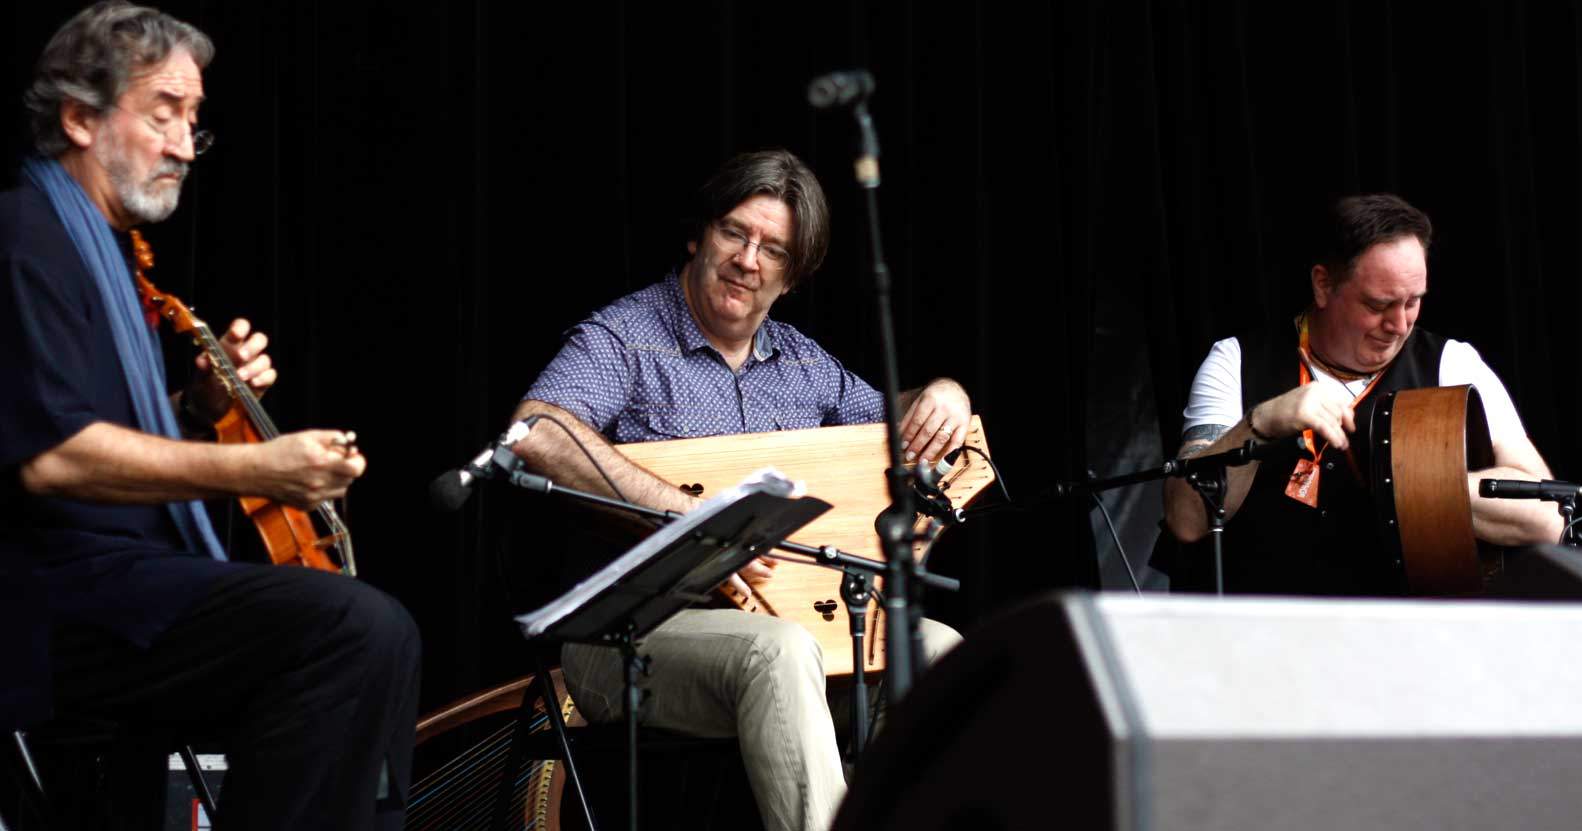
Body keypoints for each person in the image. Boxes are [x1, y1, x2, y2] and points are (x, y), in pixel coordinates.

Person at [0, 4, 419, 828]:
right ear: (80, 117)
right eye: (164, 115)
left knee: (370, 630)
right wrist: (258, 468)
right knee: (352, 629)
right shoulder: (25, 235)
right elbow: (52, 457)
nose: (186, 146)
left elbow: (93, 425)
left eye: (195, 122)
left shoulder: (103, 249)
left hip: (118, 592)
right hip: (56, 606)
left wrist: (196, 410)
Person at [511, 149, 969, 831]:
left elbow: (898, 422)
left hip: (792, 637)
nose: (747, 259)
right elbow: (534, 429)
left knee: (941, 651)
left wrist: (945, 394)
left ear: (792, 276)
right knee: (779, 651)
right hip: (627, 640)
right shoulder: (626, 341)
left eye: (773, 249)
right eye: (734, 232)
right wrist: (694, 517)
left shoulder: (804, 365)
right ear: (699, 234)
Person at [1160, 193, 1562, 594]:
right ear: (1323, 285)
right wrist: (1260, 424)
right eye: (1378, 304)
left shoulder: (1453, 364)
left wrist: (1414, 482)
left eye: (1413, 301)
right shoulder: (1236, 361)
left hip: (1401, 637)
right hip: (1263, 635)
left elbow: (1547, 519)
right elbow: (1186, 518)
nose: (1400, 324)